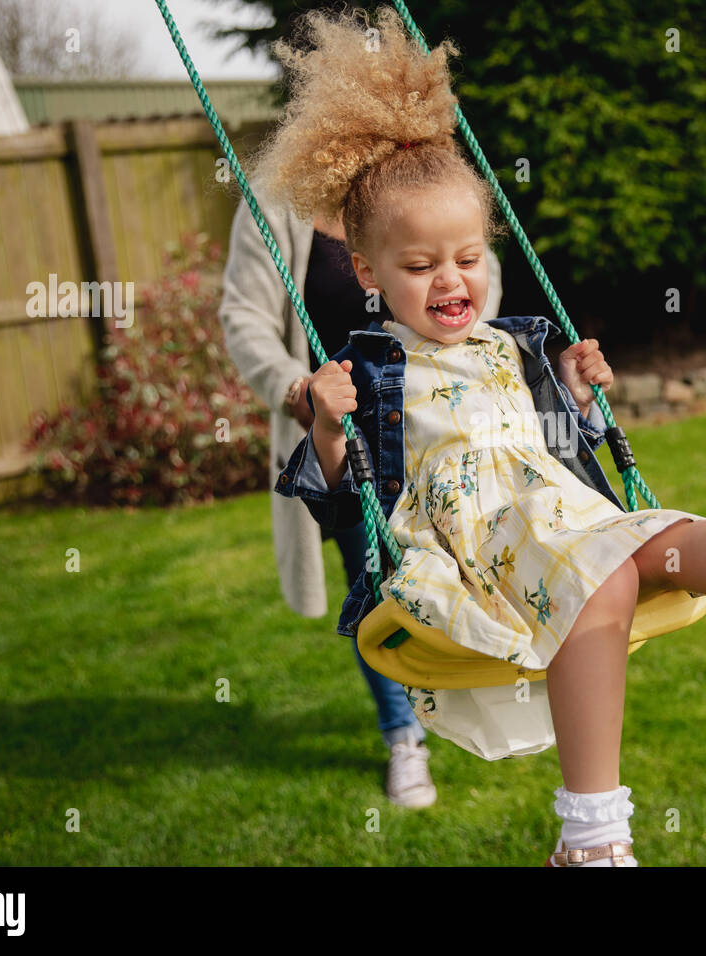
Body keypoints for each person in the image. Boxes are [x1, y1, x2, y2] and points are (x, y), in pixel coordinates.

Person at [262, 5, 706, 866]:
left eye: (469, 257)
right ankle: (592, 837)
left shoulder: (517, 340)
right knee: (601, 575)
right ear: (368, 273)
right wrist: (328, 420)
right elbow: (345, 491)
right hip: (476, 548)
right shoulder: (371, 365)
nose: (452, 279)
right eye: (419, 267)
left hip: (555, 512)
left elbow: (556, 440)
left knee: (667, 543)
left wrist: (577, 395)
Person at [217, 119, 504, 808]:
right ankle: (404, 736)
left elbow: (474, 279)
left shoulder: (412, 186)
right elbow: (244, 316)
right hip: (346, 436)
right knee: (376, 579)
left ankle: (475, 689)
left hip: (438, 425)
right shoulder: (276, 203)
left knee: (463, 564)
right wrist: (299, 391)